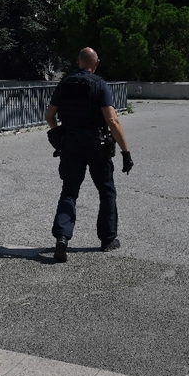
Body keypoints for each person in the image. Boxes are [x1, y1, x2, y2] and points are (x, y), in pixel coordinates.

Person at [46, 48, 132, 263]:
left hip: (71, 144)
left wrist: (59, 133)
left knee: (69, 192)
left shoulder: (64, 83)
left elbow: (49, 116)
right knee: (106, 191)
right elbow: (112, 120)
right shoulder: (99, 84)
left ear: (78, 62)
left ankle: (62, 237)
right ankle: (108, 239)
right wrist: (125, 151)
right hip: (96, 145)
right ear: (97, 63)